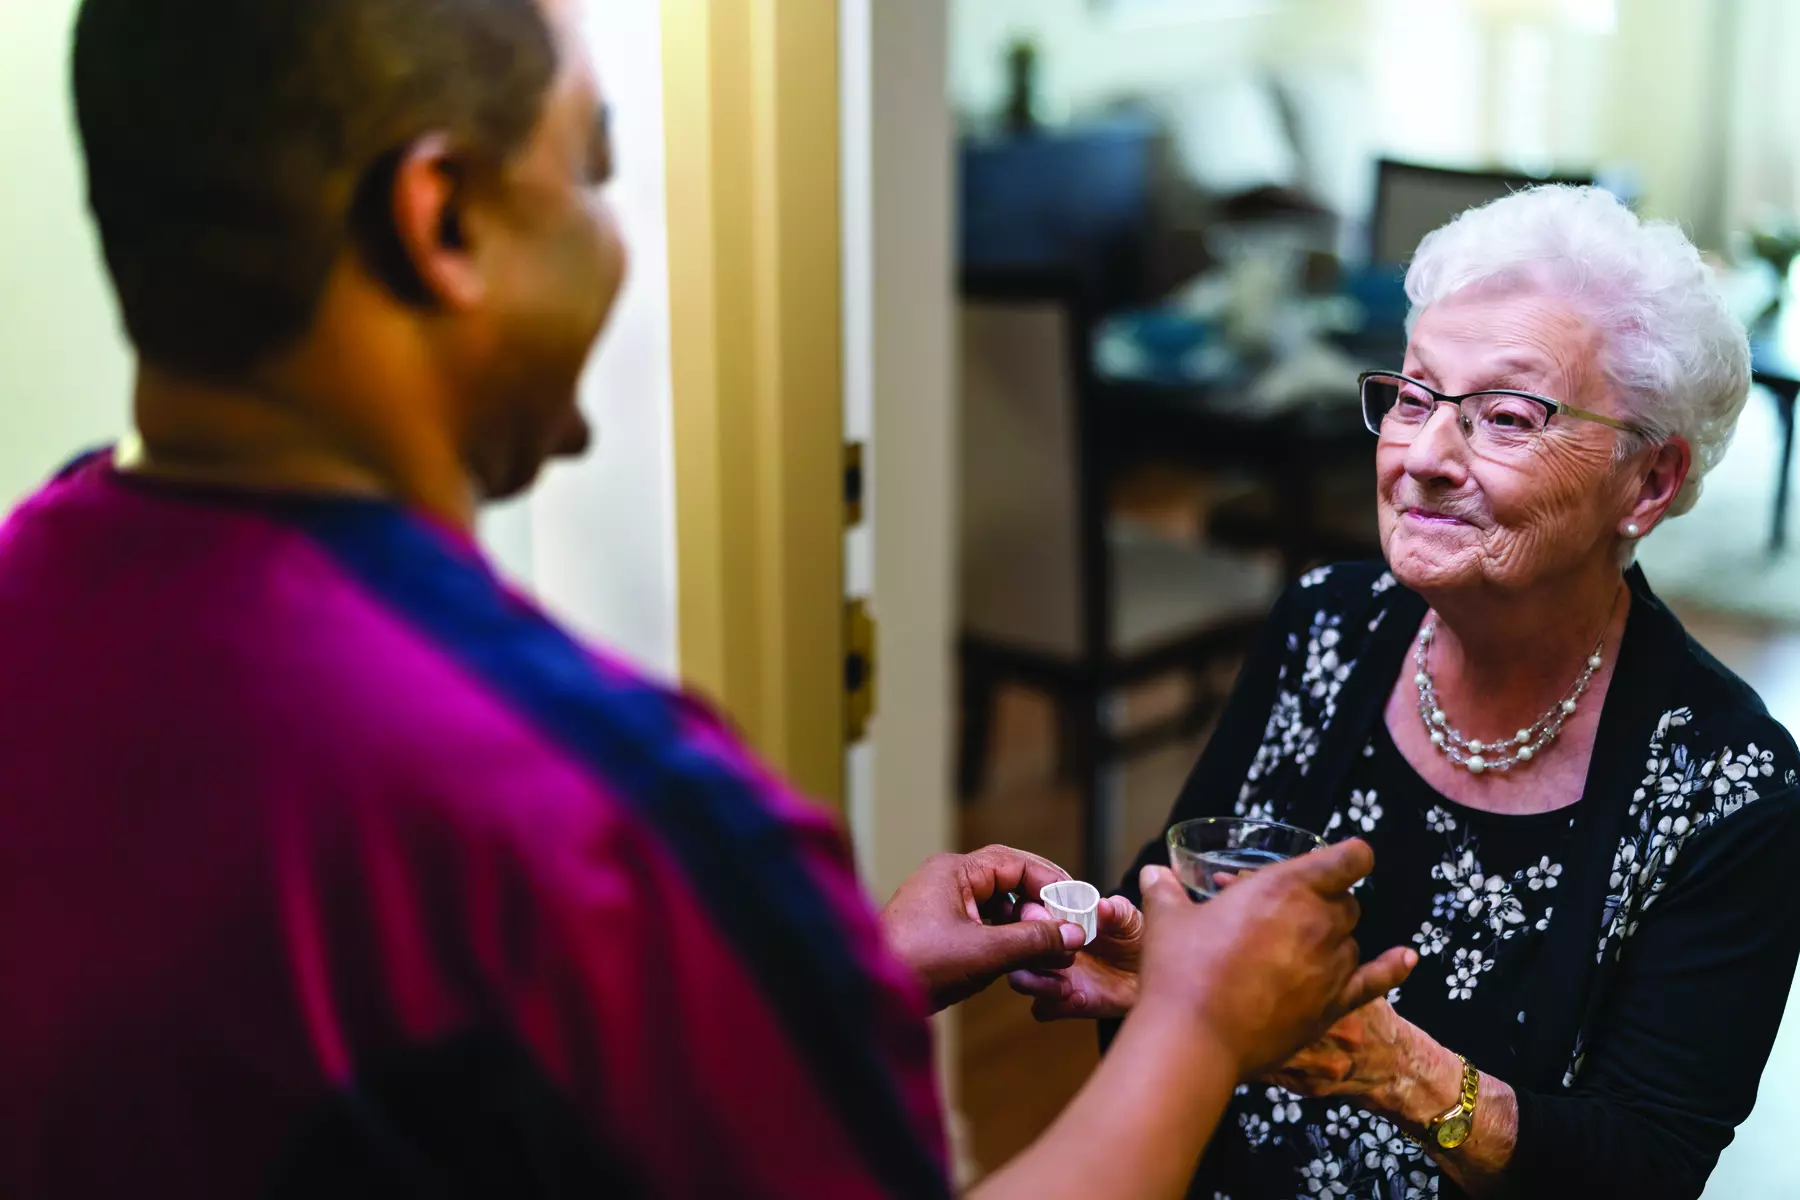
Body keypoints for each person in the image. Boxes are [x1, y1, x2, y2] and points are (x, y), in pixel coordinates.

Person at [0, 1, 1416, 1196]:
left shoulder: (32, 587)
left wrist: (827, 975)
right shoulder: (607, 816)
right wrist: (1198, 1021)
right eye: (592, 170)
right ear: (442, 222)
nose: (617, 240)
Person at [1013, 185, 1800, 1199]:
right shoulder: (1324, 627)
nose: (1423, 457)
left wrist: (1404, 1072)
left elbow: (1645, 1168)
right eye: (1416, 396)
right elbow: (1176, 884)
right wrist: (1146, 957)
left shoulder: (1733, 788)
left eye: (1507, 417)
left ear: (1649, 483)